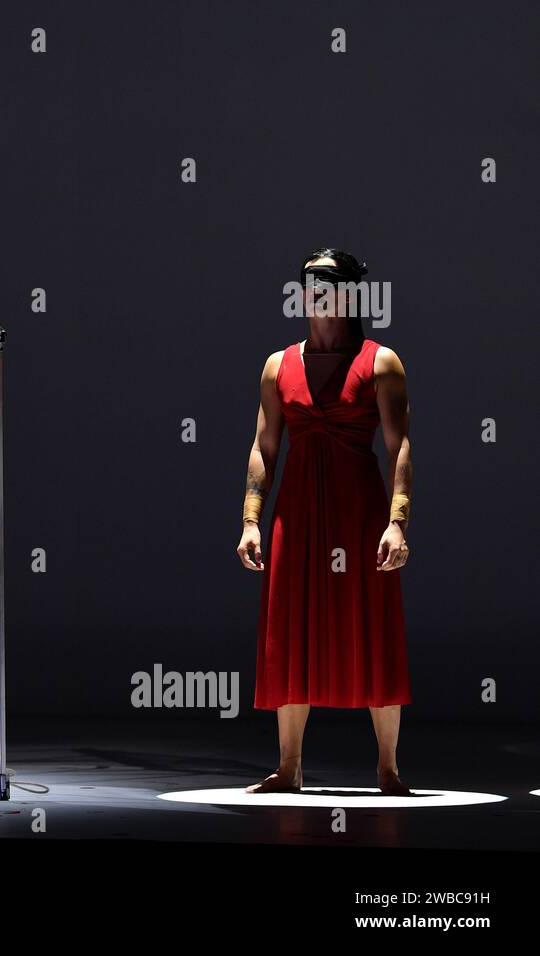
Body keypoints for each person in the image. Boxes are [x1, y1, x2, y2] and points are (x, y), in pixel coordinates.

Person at [237, 248, 413, 796]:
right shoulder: (277, 364)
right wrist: (251, 520)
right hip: (297, 513)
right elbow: (265, 446)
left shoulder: (382, 361)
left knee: (374, 623)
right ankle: (289, 765)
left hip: (358, 510)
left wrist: (398, 521)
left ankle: (387, 766)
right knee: (289, 627)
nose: (315, 289)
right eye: (308, 280)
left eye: (327, 280)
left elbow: (399, 444)